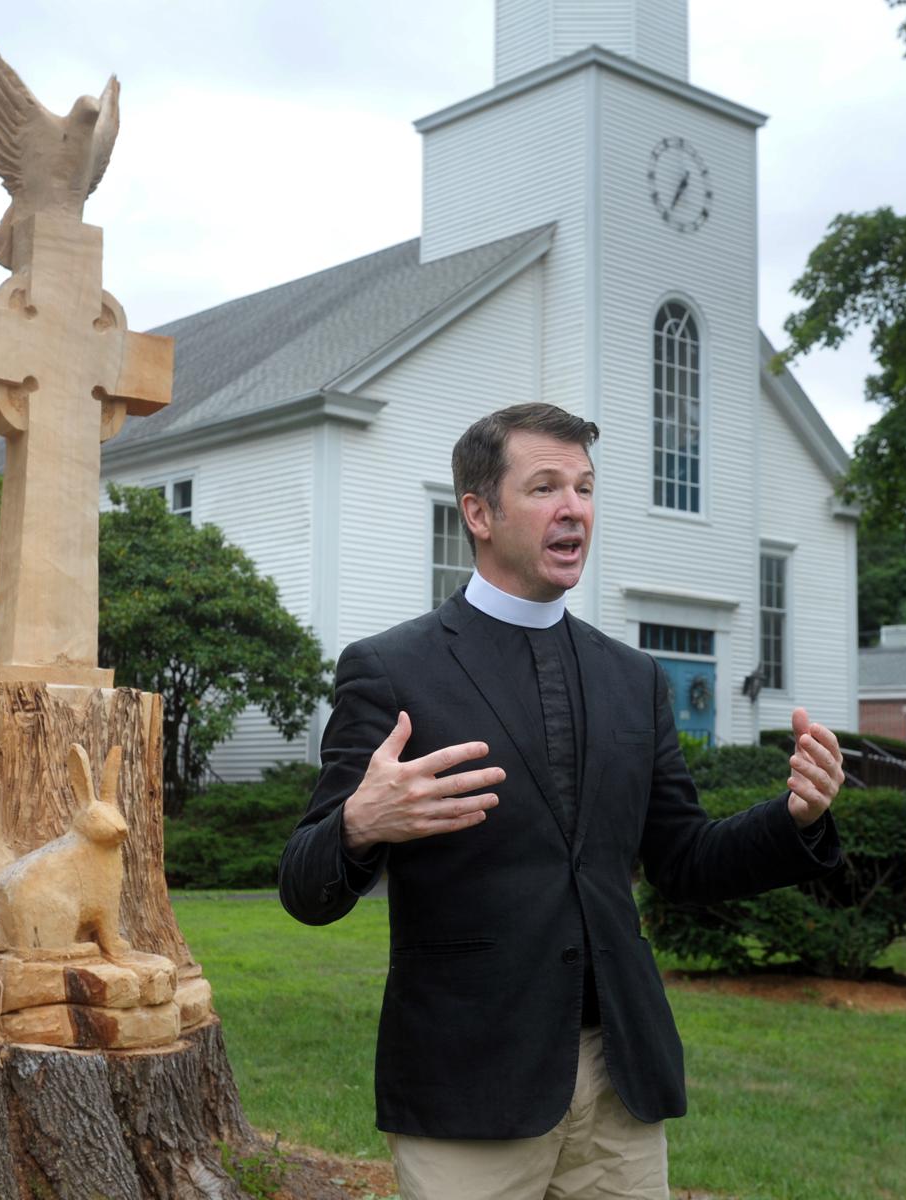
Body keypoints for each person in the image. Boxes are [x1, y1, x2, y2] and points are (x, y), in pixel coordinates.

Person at [278, 402, 847, 1199]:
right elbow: (304, 888)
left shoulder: (632, 678)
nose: (573, 507)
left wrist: (795, 820)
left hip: (620, 1084)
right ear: (479, 513)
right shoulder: (391, 669)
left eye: (584, 487)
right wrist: (357, 825)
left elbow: (683, 860)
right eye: (545, 487)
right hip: (469, 1084)